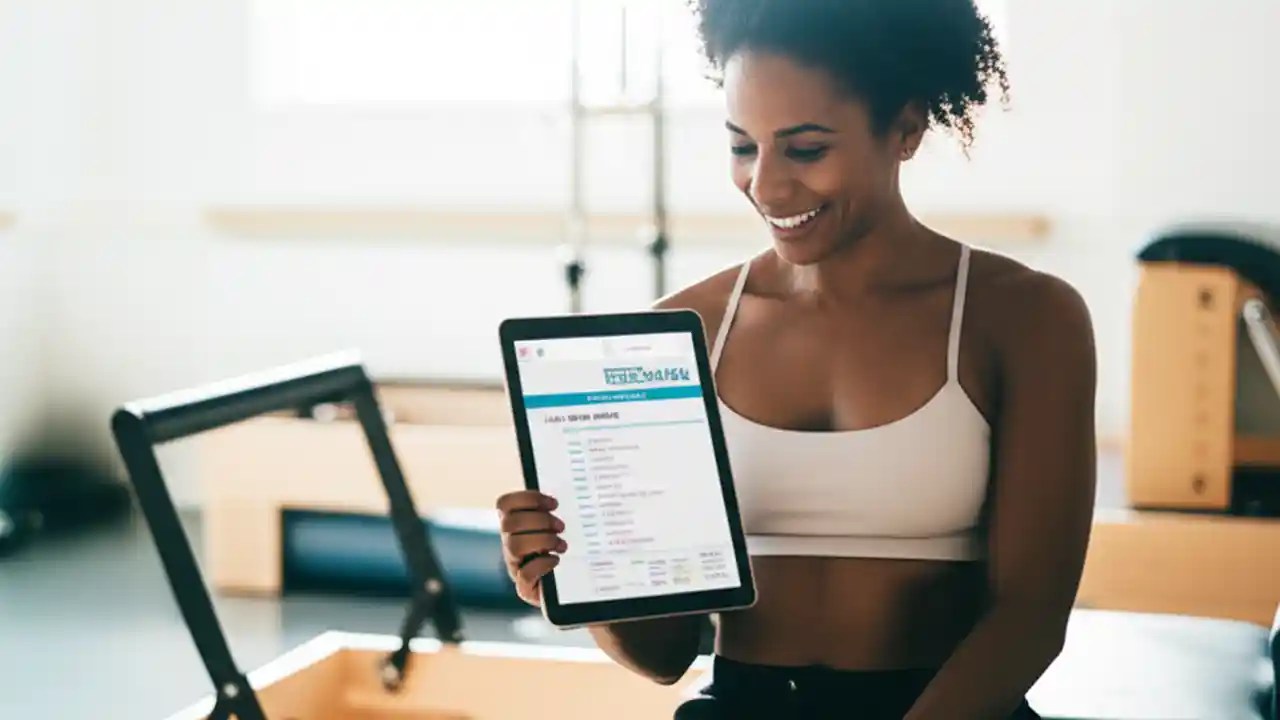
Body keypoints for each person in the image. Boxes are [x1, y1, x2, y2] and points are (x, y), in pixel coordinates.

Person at [496, 0, 1097, 717]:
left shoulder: (1026, 318)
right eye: (742, 147)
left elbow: (1030, 617)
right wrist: (576, 580)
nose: (766, 185)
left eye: (806, 150)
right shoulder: (682, 334)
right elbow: (665, 655)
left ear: (905, 129)